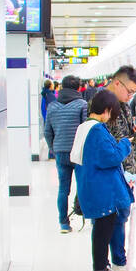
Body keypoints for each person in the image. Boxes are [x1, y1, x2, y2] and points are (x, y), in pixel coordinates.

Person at [71, 90, 135, 271]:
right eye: (112, 113)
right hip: (103, 191)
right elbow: (111, 157)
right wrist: (125, 143)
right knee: (102, 235)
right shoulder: (97, 129)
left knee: (100, 233)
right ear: (106, 110)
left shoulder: (84, 127)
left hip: (92, 186)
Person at [104, 66, 136, 271]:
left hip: (127, 169)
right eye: (129, 91)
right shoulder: (101, 105)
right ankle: (113, 264)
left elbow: (127, 138)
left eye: (134, 93)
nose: (131, 96)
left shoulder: (124, 106)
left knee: (122, 215)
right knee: (111, 218)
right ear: (117, 82)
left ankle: (119, 261)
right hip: (112, 170)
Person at [44, 74, 88, 233]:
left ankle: (63, 223)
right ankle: (87, 215)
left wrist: (53, 148)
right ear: (78, 88)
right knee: (83, 185)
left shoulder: (52, 107)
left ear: (62, 87)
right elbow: (85, 129)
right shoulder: (82, 105)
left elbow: (47, 132)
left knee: (63, 189)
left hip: (60, 152)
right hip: (79, 152)